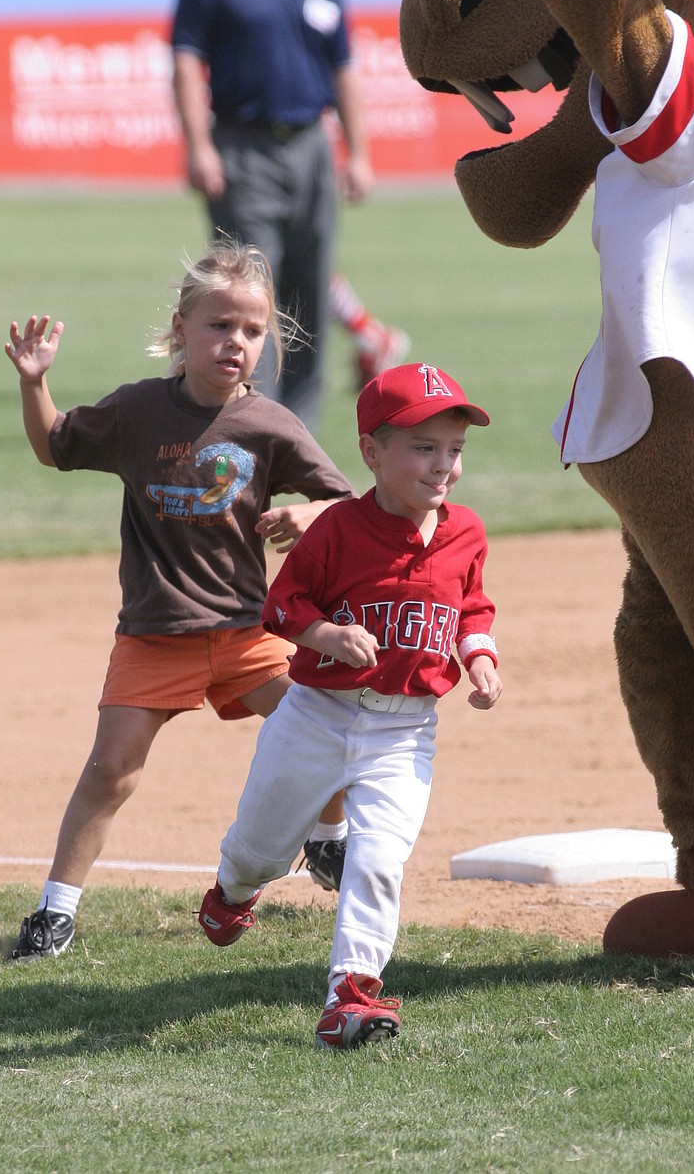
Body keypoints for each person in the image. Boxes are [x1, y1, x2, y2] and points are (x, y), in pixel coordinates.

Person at [3, 237, 358, 960]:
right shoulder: (139, 410)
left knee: (323, 730)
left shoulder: (268, 425)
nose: (236, 341)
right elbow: (56, 447)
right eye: (219, 325)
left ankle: (328, 839)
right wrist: (34, 383)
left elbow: (348, 506)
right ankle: (54, 912)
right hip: (156, 630)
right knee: (112, 769)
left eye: (252, 331)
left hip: (245, 632)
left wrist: (308, 515)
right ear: (180, 330)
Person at [197, 361, 503, 1049]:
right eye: (423, 447)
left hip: (406, 730)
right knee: (261, 848)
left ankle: (351, 993)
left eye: (454, 450)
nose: (443, 465)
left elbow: (472, 606)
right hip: (316, 714)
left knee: (378, 857)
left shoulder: (465, 532)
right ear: (372, 451)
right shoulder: (336, 528)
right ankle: (233, 890)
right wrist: (326, 633)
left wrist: (479, 657)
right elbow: (281, 604)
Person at [171, 0, 407, 427]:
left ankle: (296, 430)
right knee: (252, 290)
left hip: (311, 146)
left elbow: (344, 74)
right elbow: (185, 63)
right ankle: (250, 420)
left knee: (308, 286)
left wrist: (361, 154)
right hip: (243, 148)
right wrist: (199, 146)